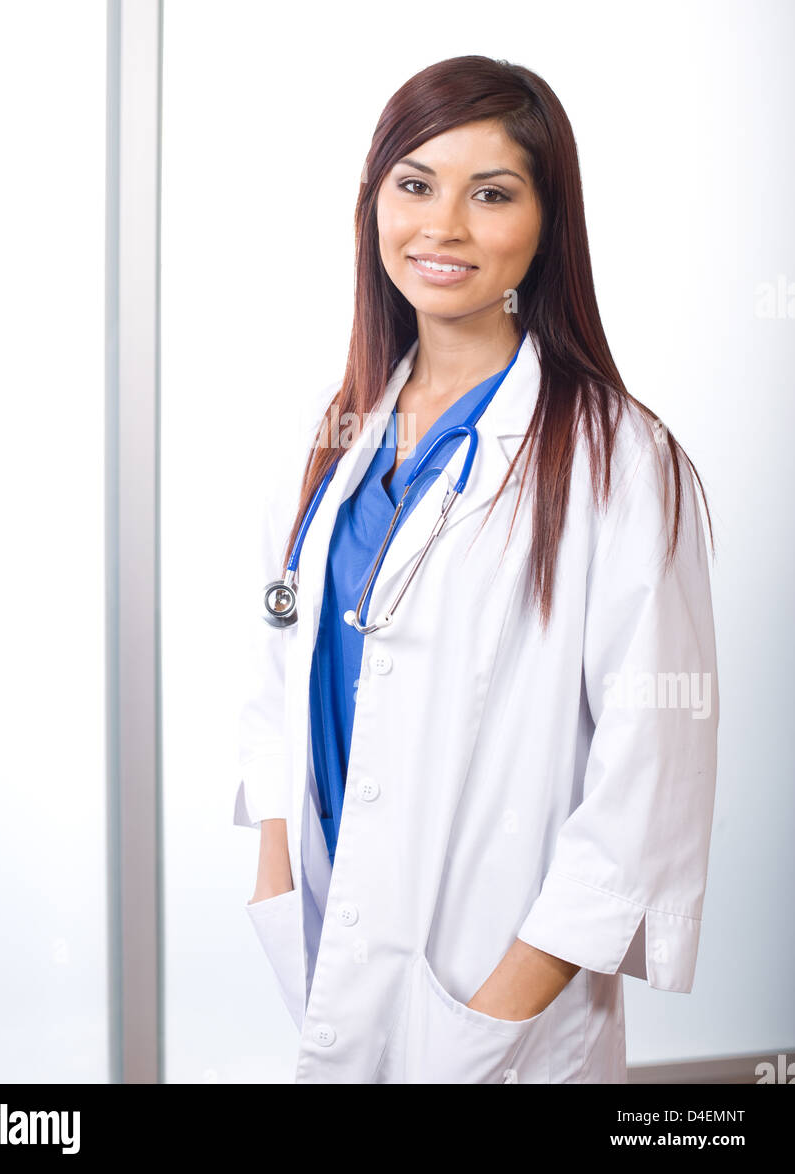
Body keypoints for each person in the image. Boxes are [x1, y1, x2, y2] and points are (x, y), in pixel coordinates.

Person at [233, 54, 719, 1084]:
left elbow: (646, 779)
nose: (441, 226)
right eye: (414, 185)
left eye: (489, 193)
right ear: (371, 207)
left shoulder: (615, 462)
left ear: (545, 225)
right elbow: (280, 683)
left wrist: (495, 1015)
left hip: (498, 1008)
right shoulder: (338, 430)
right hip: (334, 945)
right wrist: (276, 865)